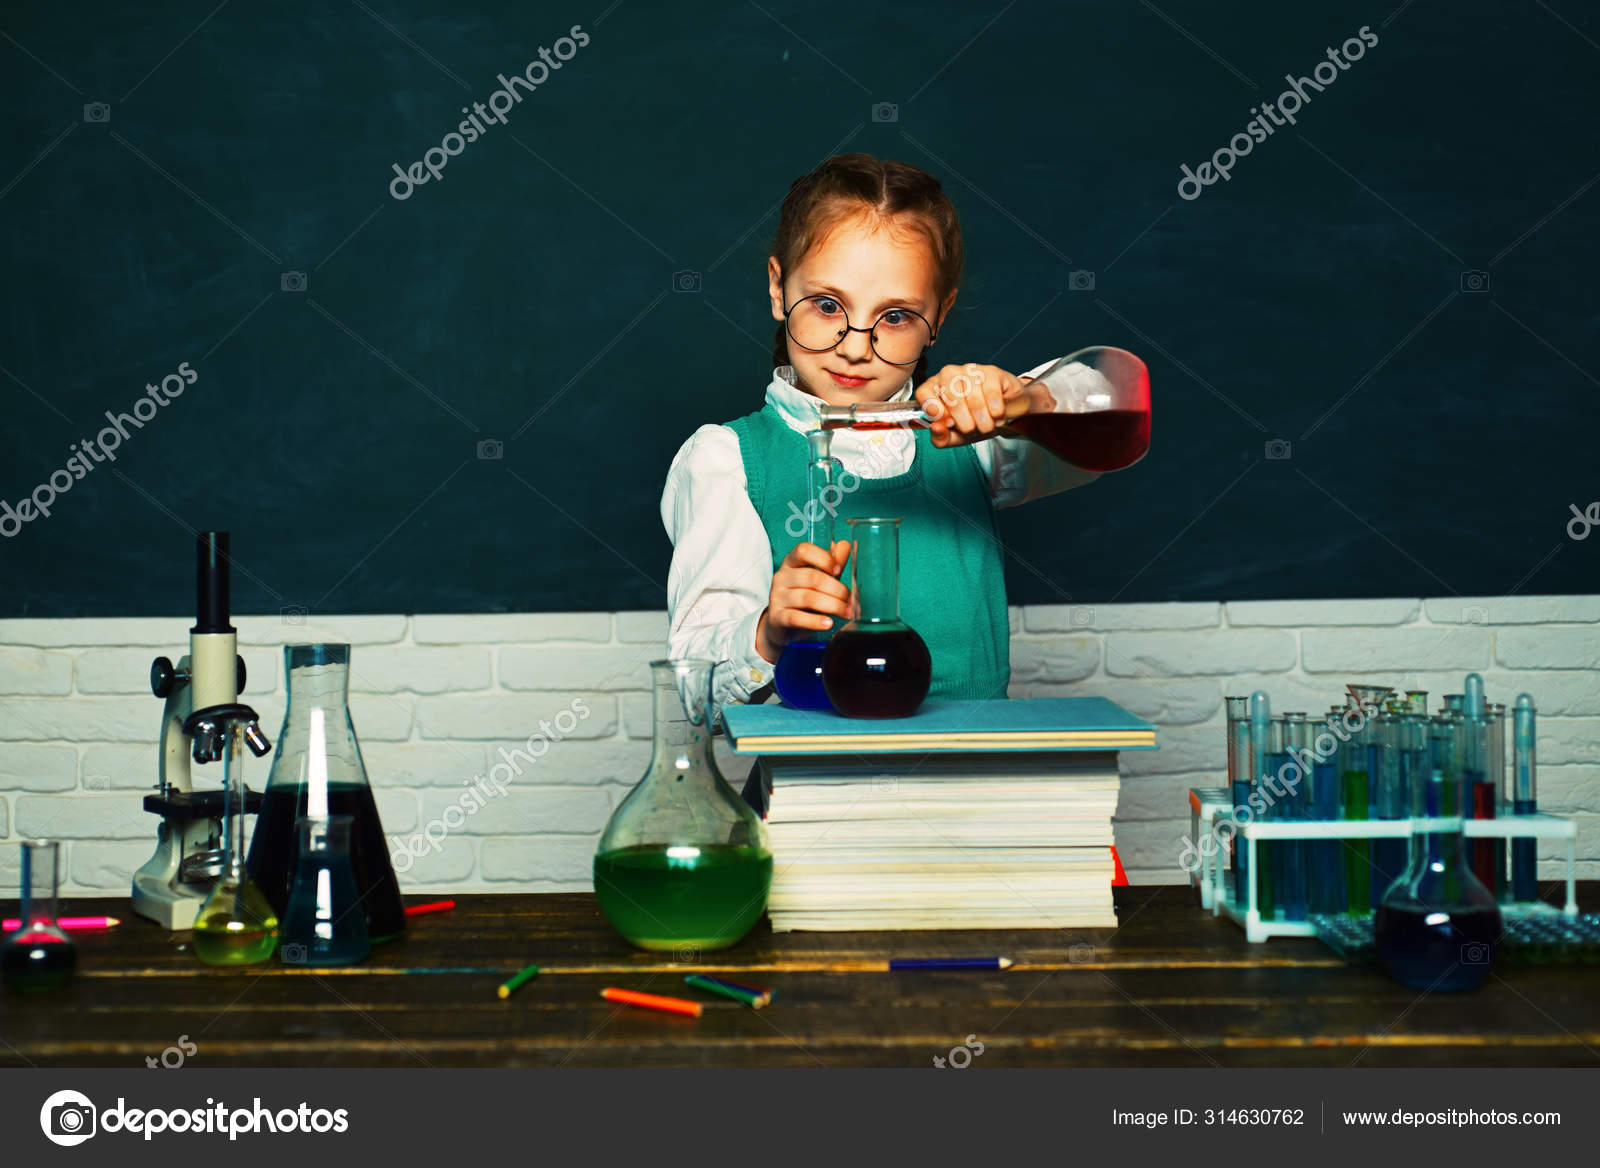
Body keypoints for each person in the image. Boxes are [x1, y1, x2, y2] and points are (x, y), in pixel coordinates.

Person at [660, 153, 1100, 808]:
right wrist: (767, 631)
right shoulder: (725, 459)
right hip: (812, 802)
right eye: (828, 305)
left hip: (978, 792)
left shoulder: (974, 439)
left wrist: (1025, 402)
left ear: (939, 317)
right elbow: (700, 680)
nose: (856, 345)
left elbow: (1111, 421)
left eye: (894, 316)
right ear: (779, 288)